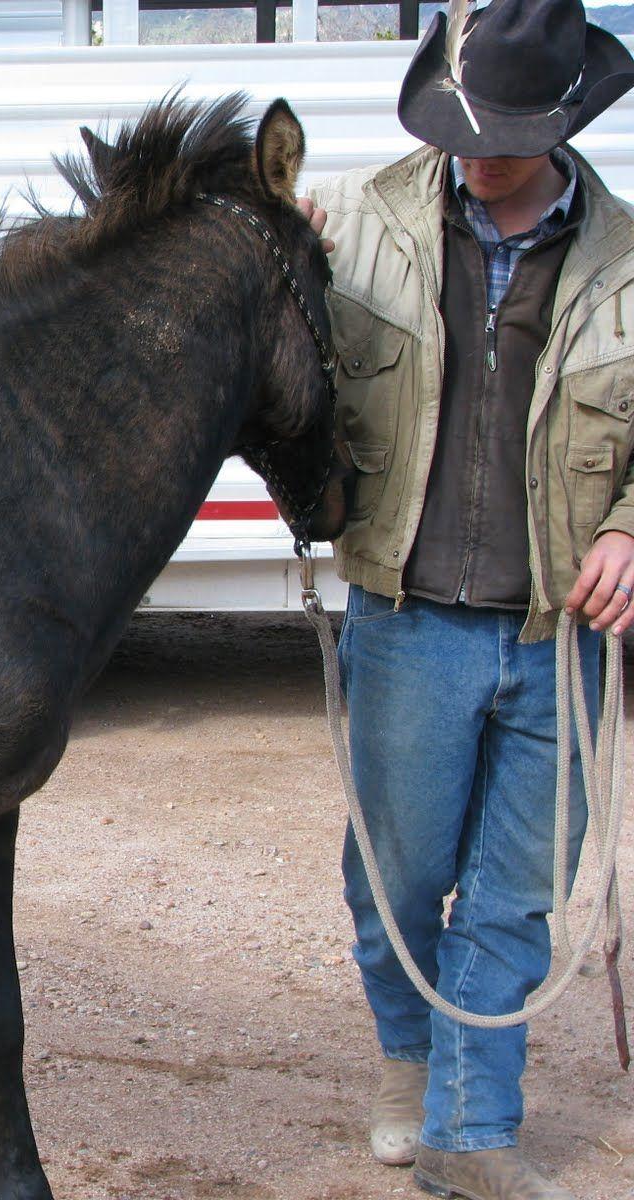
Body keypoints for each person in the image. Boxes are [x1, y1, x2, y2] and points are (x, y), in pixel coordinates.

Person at [295, 2, 634, 1197]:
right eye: (459, 125)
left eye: (502, 132)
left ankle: (468, 1134)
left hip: (559, 637)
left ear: (564, 121)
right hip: (410, 618)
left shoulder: (628, 258)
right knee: (390, 874)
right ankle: (409, 1054)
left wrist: (633, 527)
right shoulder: (343, 222)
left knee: (514, 898)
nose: (474, 151)